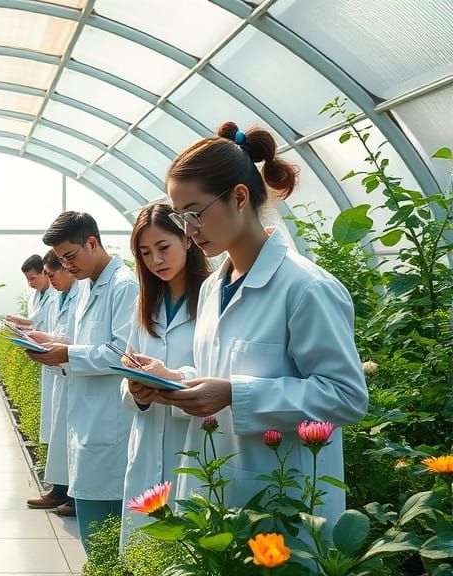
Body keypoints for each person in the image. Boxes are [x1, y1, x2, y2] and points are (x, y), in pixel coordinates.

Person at [136, 122, 367, 524]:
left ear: (239, 197)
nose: (189, 232)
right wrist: (171, 379)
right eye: (180, 218)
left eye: (194, 215)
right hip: (219, 495)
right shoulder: (213, 288)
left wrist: (233, 395)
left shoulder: (305, 287)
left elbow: (346, 397)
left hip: (288, 506)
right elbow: (222, 373)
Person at [25, 211, 139, 552]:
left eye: (70, 257)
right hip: (86, 417)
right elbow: (77, 340)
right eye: (61, 259)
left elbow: (122, 353)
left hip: (110, 422)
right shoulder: (88, 286)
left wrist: (67, 354)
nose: (67, 266)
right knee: (92, 524)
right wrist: (47, 341)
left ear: (91, 242)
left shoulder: (124, 285)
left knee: (109, 526)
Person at [117, 203, 210, 551]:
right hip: (147, 439)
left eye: (163, 247)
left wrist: (173, 378)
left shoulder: (212, 299)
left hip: (194, 441)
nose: (156, 260)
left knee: (187, 547)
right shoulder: (146, 304)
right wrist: (137, 392)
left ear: (187, 239)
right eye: (145, 253)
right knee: (145, 549)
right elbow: (127, 370)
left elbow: (223, 373)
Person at [24, 249, 81, 517]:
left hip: (74, 370)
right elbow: (62, 333)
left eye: (50, 274)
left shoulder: (82, 293)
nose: (49, 279)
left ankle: (72, 494)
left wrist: (55, 343)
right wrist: (43, 338)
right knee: (59, 435)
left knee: (70, 437)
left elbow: (76, 338)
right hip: (61, 370)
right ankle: (60, 489)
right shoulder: (63, 295)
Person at [5, 254, 54, 330]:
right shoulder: (33, 298)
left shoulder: (56, 295)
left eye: (32, 278)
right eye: (28, 279)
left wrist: (24, 322)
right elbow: (33, 324)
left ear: (44, 272)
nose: (30, 283)